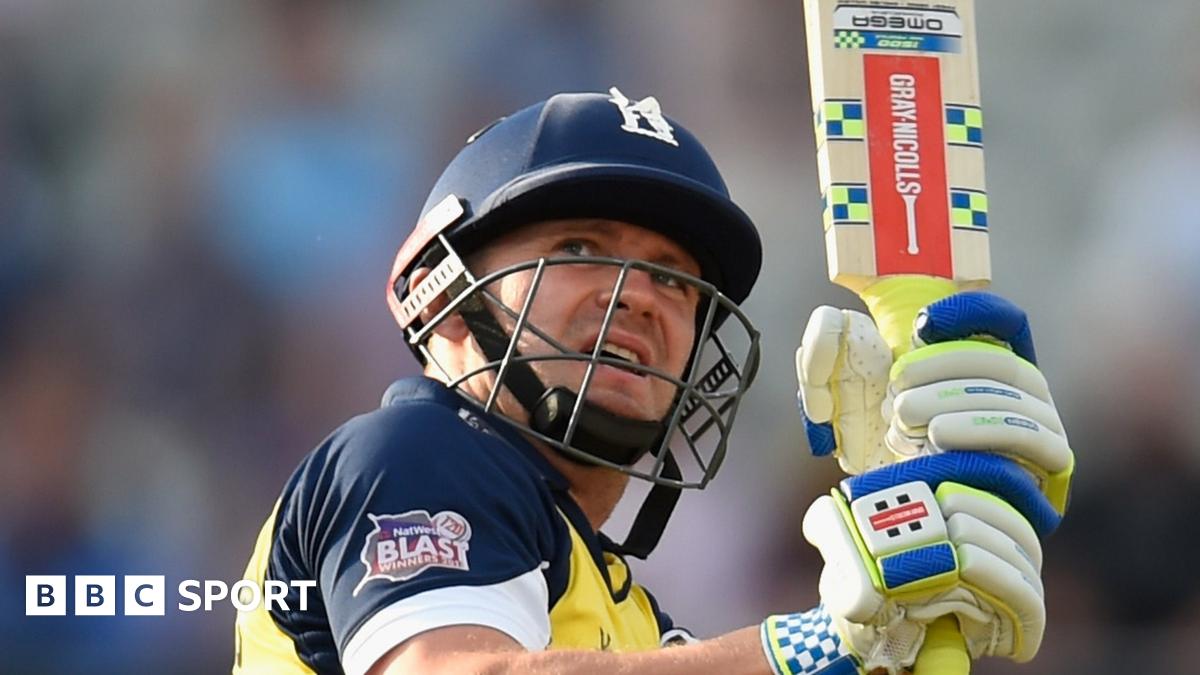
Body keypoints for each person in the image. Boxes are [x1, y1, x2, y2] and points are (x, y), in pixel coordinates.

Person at [233, 88, 1074, 675]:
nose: (639, 295)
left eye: (675, 277)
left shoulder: (634, 622)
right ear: (442, 293)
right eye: (580, 248)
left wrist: (899, 630)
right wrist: (817, 645)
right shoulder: (408, 454)